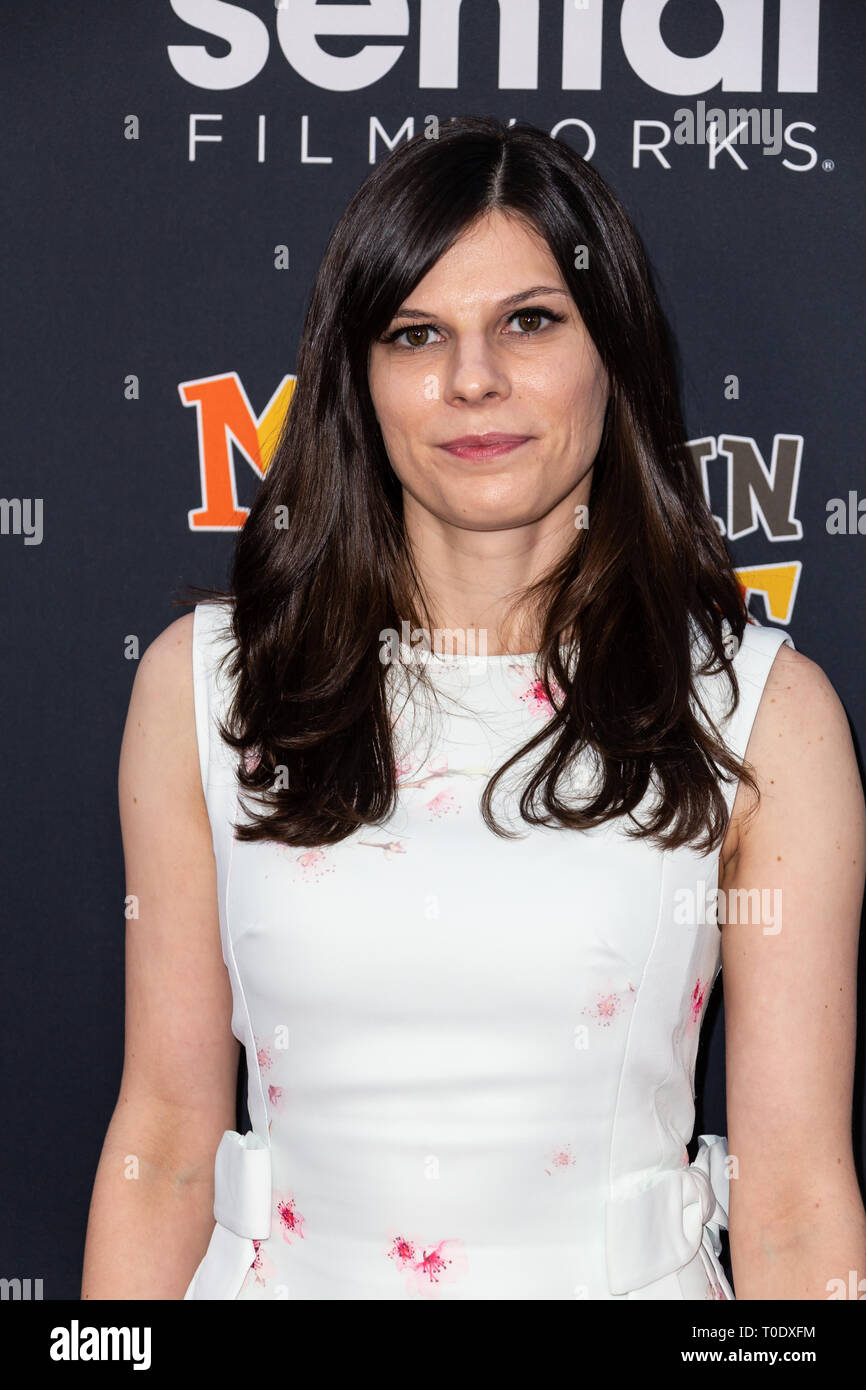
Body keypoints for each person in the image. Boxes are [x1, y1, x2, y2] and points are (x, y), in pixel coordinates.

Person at [81, 116, 866, 1301]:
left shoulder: (762, 712)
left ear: (613, 351)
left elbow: (796, 1200)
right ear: (360, 376)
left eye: (528, 321)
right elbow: (163, 1145)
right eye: (416, 334)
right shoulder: (210, 684)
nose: (471, 380)